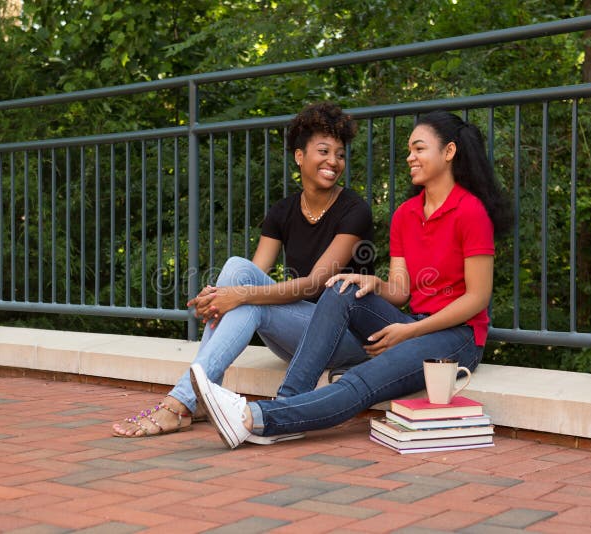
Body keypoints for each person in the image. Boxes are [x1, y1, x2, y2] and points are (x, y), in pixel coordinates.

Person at [189, 109, 513, 449]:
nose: (410, 157)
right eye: (409, 150)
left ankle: (261, 417)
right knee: (341, 285)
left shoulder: (471, 212)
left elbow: (476, 299)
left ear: (448, 153)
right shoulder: (406, 214)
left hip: (457, 337)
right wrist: (376, 285)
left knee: (361, 378)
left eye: (419, 149)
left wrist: (410, 331)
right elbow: (401, 292)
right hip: (412, 322)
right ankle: (289, 400)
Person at [112, 102, 374, 438]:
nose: (333, 162)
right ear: (299, 156)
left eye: (340, 154)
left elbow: (313, 285)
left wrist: (237, 296)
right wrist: (223, 295)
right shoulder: (283, 211)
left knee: (246, 299)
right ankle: (200, 398)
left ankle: (179, 404)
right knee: (236, 268)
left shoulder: (355, 209)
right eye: (323, 151)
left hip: (345, 339)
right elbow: (249, 273)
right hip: (299, 334)